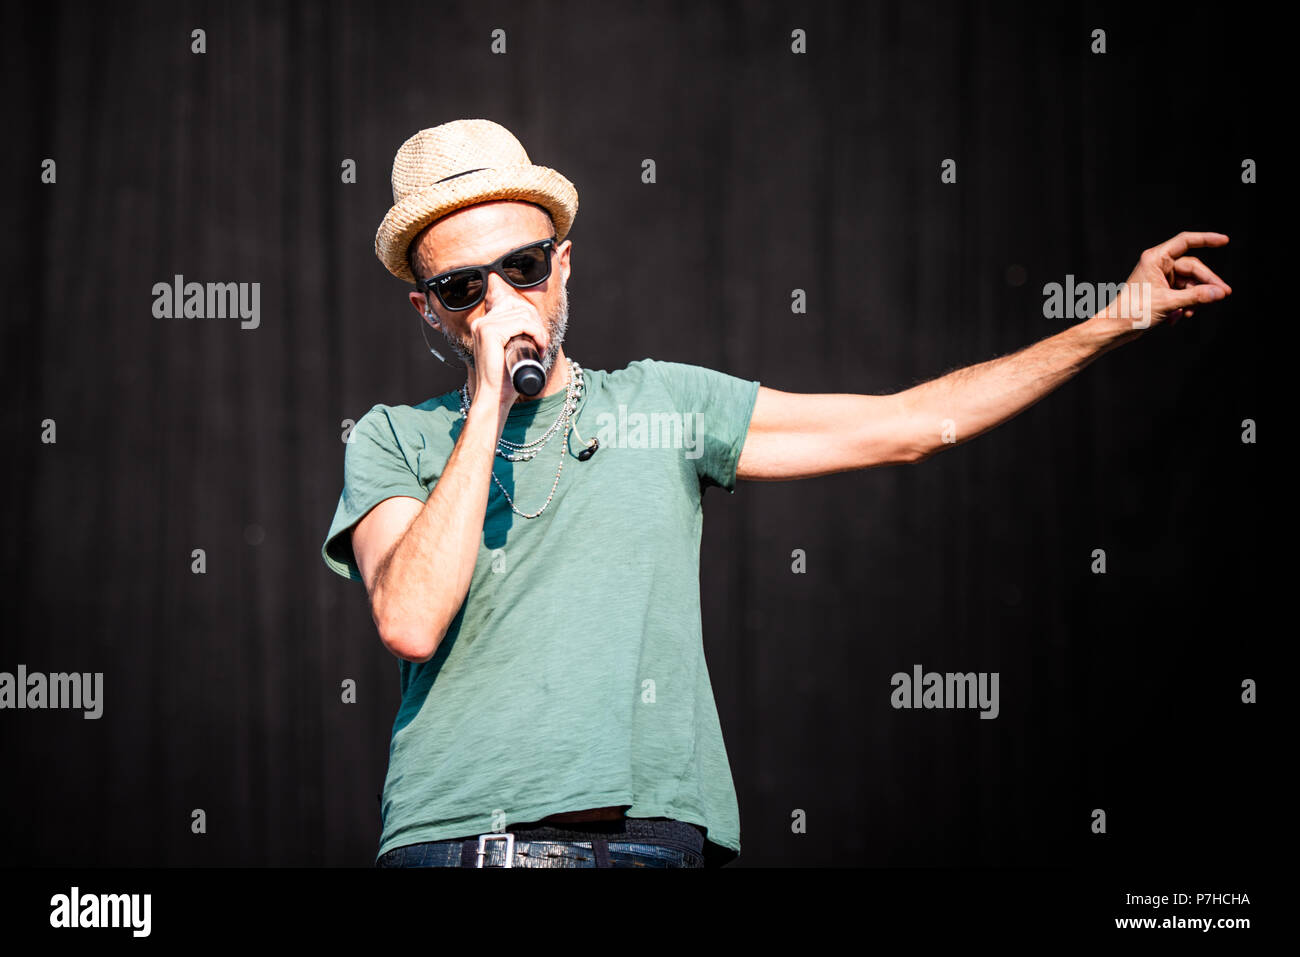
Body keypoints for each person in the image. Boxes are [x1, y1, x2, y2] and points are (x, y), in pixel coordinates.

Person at [322, 118, 1232, 868]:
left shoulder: (666, 402)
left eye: (521, 268)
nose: (499, 301)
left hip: (647, 839)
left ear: (563, 263)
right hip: (455, 841)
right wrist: (487, 402)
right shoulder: (395, 437)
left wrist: (1117, 319)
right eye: (462, 287)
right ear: (427, 308)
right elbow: (409, 617)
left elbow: (907, 425)